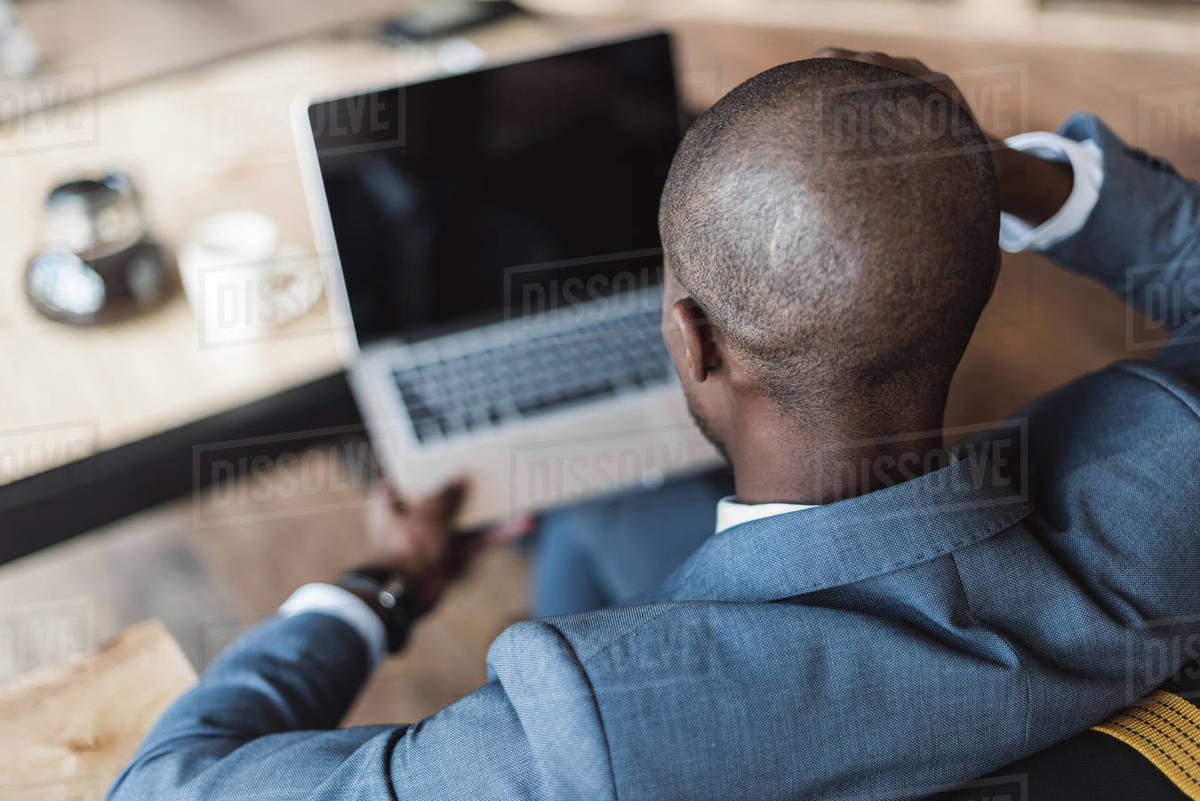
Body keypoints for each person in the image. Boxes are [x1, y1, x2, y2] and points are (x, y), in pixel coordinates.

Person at [106, 49, 1200, 800]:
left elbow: (162, 784)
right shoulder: (1171, 454)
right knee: (606, 510)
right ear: (974, 292)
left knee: (606, 506)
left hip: (706, 685)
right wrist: (986, 173)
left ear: (690, 340)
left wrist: (378, 586)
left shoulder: (590, 734)